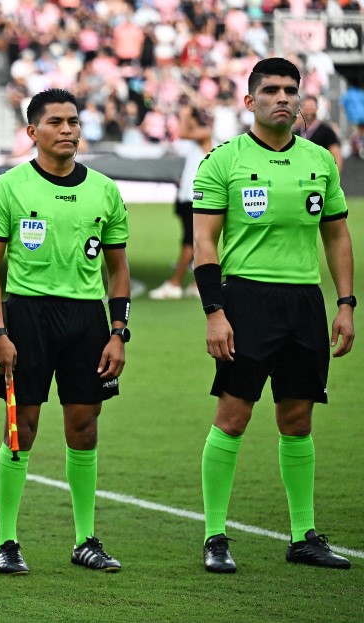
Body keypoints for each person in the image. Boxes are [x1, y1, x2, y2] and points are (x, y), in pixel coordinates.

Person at [192, 57, 354, 574]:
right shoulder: (223, 161)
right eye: (271, 90)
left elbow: (336, 234)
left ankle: (302, 535)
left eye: (291, 90)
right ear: (250, 101)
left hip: (305, 302)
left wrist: (345, 303)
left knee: (298, 419)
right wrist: (215, 312)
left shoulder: (320, 161)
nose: (283, 98)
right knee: (233, 417)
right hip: (246, 302)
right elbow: (204, 242)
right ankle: (215, 535)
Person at [0, 88, 131, 575]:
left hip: (87, 321)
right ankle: (6, 541)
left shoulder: (104, 189)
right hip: (28, 318)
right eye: (56, 122)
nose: (68, 130)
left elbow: (119, 269)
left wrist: (118, 331)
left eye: (74, 121)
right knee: (20, 431)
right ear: (32, 132)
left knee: (84, 429)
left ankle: (86, 539)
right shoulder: (10, 186)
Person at [149, 100, 212, 300]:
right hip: (187, 197)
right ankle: (197, 283)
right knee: (195, 241)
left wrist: (184, 114)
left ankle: (175, 283)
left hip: (196, 198)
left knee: (189, 242)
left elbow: (183, 133)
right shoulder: (193, 142)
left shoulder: (204, 133)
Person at [296, 95, 343, 173]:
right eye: (306, 107)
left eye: (312, 107)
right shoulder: (296, 133)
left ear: (317, 108)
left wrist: (335, 180)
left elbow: (337, 156)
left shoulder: (327, 131)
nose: (309, 110)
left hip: (320, 177)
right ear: (302, 109)